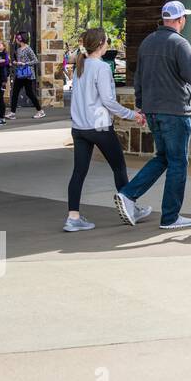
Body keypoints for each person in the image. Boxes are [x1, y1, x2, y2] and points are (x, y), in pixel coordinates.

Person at [114, 1, 191, 231]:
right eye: (184, 17)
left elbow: (138, 78)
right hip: (175, 113)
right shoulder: (180, 44)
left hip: (153, 111)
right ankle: (170, 217)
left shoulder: (147, 42)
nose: (185, 21)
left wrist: (141, 105)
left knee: (163, 158)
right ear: (180, 20)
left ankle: (128, 195)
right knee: (178, 163)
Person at [65, 28, 144, 232]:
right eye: (107, 41)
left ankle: (73, 218)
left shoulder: (79, 67)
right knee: (118, 167)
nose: (108, 43)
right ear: (101, 44)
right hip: (99, 126)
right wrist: (132, 115)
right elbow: (109, 101)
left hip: (79, 127)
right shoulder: (101, 67)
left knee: (79, 172)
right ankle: (130, 208)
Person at [7, 31, 46, 120]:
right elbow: (20, 61)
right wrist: (16, 63)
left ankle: (40, 111)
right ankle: (12, 113)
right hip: (20, 74)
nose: (15, 39)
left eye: (17, 38)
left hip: (28, 75)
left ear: (20, 39)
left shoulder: (28, 49)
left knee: (29, 93)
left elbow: (35, 60)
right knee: (15, 93)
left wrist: (25, 63)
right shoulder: (18, 49)